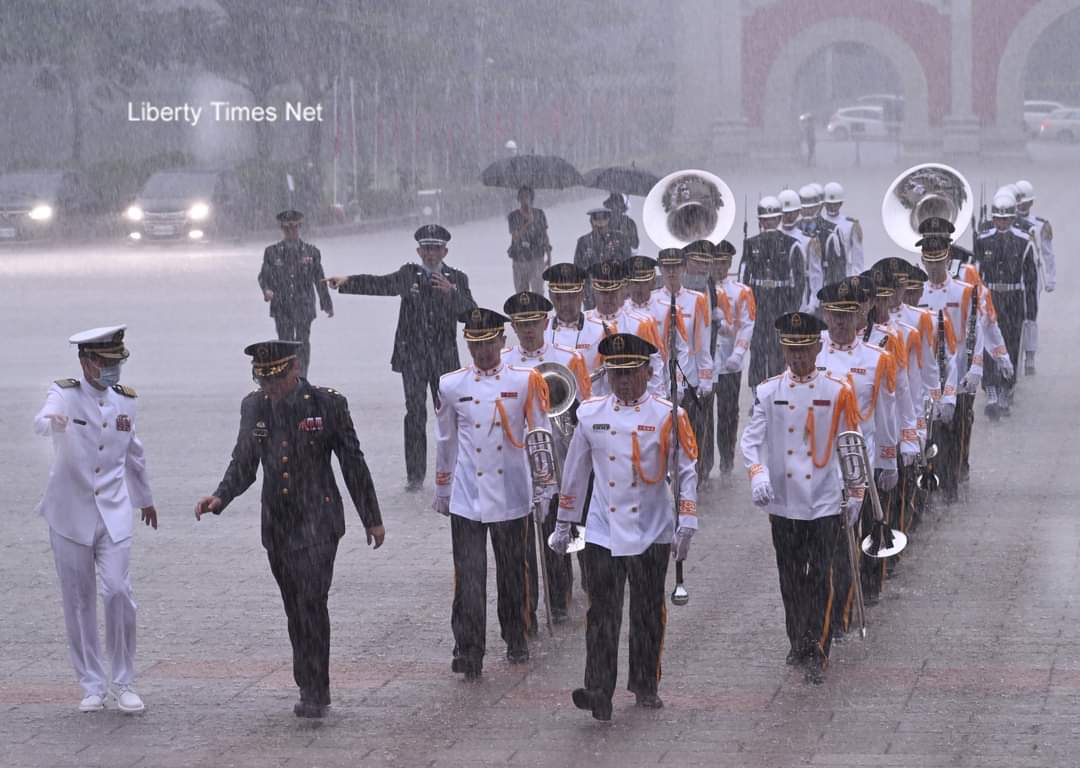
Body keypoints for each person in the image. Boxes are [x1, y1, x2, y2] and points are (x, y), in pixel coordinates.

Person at [194, 340, 383, 718]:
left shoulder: (327, 404)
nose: (271, 387)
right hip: (279, 523)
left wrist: (372, 517)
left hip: (319, 520)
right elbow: (244, 461)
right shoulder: (255, 406)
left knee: (312, 600)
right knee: (294, 606)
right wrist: (220, 497)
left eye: (277, 378)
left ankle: (315, 688)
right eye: (264, 380)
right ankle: (306, 678)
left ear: (294, 368)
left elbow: (352, 462)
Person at [551, 333, 698, 720]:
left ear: (648, 373)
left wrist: (687, 519)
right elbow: (576, 472)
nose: (624, 381)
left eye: (631, 373)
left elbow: (685, 470)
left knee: (648, 610)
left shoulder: (670, 415)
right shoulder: (590, 414)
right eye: (616, 374)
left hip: (651, 526)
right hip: (602, 526)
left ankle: (645, 683)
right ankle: (598, 689)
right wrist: (565, 522)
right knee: (602, 610)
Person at [33, 326, 157, 714]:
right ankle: (91, 683)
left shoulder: (126, 402)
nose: (112, 370)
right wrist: (51, 420)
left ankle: (124, 682)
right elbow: (44, 415)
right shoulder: (66, 394)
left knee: (118, 591)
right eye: (105, 363)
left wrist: (145, 499)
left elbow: (134, 453)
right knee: (79, 601)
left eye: (116, 362)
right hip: (69, 512)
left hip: (114, 512)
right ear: (86, 362)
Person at [740, 312, 860, 684]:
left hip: (823, 497)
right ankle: (798, 639)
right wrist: (757, 474)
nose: (798, 358)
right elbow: (751, 440)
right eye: (791, 350)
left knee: (821, 574)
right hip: (784, 499)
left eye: (805, 349)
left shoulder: (838, 390)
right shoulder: (767, 391)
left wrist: (854, 492)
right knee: (790, 576)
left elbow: (850, 444)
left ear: (817, 347)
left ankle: (818, 646)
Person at [433, 308, 552, 680]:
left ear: (503, 340)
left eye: (489, 343)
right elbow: (445, 439)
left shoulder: (525, 380)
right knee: (468, 577)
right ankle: (469, 649)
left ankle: (515, 635)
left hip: (511, 488)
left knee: (513, 572)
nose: (483, 351)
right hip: (468, 493)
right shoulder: (452, 385)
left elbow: (539, 432)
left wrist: (545, 484)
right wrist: (443, 488)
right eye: (475, 344)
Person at [325, 224, 476, 491]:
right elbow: (381, 284)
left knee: (450, 415)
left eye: (436, 249)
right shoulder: (410, 275)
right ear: (419, 251)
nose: (431, 254)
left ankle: (453, 470)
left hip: (444, 360)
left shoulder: (457, 278)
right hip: (413, 358)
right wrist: (348, 281)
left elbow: (471, 315)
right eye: (426, 249)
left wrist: (451, 294)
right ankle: (415, 476)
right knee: (415, 414)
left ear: (445, 251)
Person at [501, 291, 591, 628]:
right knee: (523, 541)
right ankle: (527, 611)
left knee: (558, 530)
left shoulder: (569, 358)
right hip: (518, 456)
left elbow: (586, 408)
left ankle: (560, 599)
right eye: (521, 324)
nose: (527, 330)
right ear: (513, 325)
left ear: (545, 322)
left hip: (560, 453)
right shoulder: (505, 361)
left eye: (533, 322)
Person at [816, 278, 898, 623]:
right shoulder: (811, 352)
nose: (840, 323)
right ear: (825, 314)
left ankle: (842, 612)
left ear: (858, 318)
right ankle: (829, 608)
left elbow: (885, 410)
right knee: (826, 540)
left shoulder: (877, 358)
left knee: (850, 536)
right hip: (817, 458)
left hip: (856, 457)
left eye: (847, 316)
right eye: (834, 315)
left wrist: (889, 458)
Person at [651, 245, 713, 486]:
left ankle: (690, 485)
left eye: (676, 267)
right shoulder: (653, 301)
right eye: (667, 268)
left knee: (689, 437)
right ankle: (663, 483)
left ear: (684, 268)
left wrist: (705, 379)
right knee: (663, 438)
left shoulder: (697, 300)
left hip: (687, 381)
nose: (672, 272)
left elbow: (702, 344)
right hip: (660, 382)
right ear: (661, 270)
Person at [974, 192, 1038, 416]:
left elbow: (1031, 279)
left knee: (1010, 344)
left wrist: (1031, 312)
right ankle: (990, 388)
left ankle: (1005, 388)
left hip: (1013, 299)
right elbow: (975, 274)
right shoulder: (982, 241)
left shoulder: (1023, 242)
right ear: (993, 219)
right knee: (988, 344)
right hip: (991, 298)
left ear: (1012, 219)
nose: (1001, 223)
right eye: (998, 218)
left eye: (1005, 218)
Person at [740, 196, 806, 391]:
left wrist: (792, 309)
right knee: (758, 349)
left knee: (779, 349)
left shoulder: (791, 244)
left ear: (779, 219)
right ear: (760, 221)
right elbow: (744, 279)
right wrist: (747, 308)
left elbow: (799, 281)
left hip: (781, 302)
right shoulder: (750, 244)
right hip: (759, 302)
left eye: (772, 218)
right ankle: (758, 392)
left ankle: (780, 388)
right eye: (765, 219)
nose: (769, 222)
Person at [257, 210, 334, 378]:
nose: (291, 232)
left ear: (299, 227)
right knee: (284, 342)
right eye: (287, 228)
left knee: (302, 343)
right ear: (282, 230)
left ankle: (302, 376)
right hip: (281, 306)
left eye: (294, 228)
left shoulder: (311, 252)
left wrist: (326, 303)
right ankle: (286, 376)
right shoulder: (272, 252)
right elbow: (264, 276)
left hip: (303, 305)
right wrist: (267, 290)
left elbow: (319, 279)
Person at [584, 260, 665, 397]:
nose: (607, 298)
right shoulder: (583, 323)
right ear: (594, 291)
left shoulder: (640, 323)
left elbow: (654, 364)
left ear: (622, 290)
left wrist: (655, 399)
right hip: (593, 403)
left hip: (631, 402)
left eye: (612, 292)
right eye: (602, 292)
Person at [710, 241, 755, 475]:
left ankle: (726, 461)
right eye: (715, 261)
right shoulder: (700, 289)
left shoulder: (741, 291)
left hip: (729, 363)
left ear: (729, 263)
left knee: (728, 414)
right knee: (705, 417)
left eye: (723, 262)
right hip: (706, 364)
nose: (719, 266)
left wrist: (738, 353)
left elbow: (747, 325)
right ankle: (704, 466)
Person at [1014, 180, 1054, 375]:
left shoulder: (1040, 225)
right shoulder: (1007, 223)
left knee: (1031, 315)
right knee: (1013, 316)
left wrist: (1050, 278)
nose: (1021, 205)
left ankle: (1029, 355)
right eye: (1019, 202)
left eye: (1025, 202)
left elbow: (1047, 253)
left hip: (1033, 275)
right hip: (1013, 274)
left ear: (1031, 203)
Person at [574, 208, 631, 310]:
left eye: (604, 217)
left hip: (616, 288)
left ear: (608, 219)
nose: (600, 221)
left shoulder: (620, 238)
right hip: (592, 291)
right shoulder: (583, 241)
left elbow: (628, 264)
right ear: (591, 221)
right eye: (596, 218)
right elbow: (578, 268)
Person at [778, 189, 819, 312]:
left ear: (798, 212)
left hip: (800, 295)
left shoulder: (807, 239)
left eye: (792, 212)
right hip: (777, 295)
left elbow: (815, 273)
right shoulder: (773, 237)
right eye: (785, 213)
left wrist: (813, 302)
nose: (789, 216)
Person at [799, 185, 847, 289]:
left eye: (810, 208)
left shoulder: (830, 232)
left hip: (823, 287)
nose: (807, 211)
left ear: (819, 207)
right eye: (804, 208)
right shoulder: (795, 230)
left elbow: (838, 267)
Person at [507, 186, 552, 294]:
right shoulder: (513, 216)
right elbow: (515, 236)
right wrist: (527, 223)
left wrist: (549, 255)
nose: (525, 199)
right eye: (522, 196)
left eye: (527, 196)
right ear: (518, 198)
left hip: (537, 257)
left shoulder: (539, 214)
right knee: (521, 293)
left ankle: (538, 310)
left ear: (532, 198)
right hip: (519, 258)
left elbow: (545, 235)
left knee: (538, 291)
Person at [820, 182, 864, 277]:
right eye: (829, 204)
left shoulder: (851, 224)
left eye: (835, 204)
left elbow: (857, 257)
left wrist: (857, 278)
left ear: (841, 203)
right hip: (823, 274)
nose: (832, 207)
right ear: (824, 204)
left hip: (843, 273)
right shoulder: (818, 223)